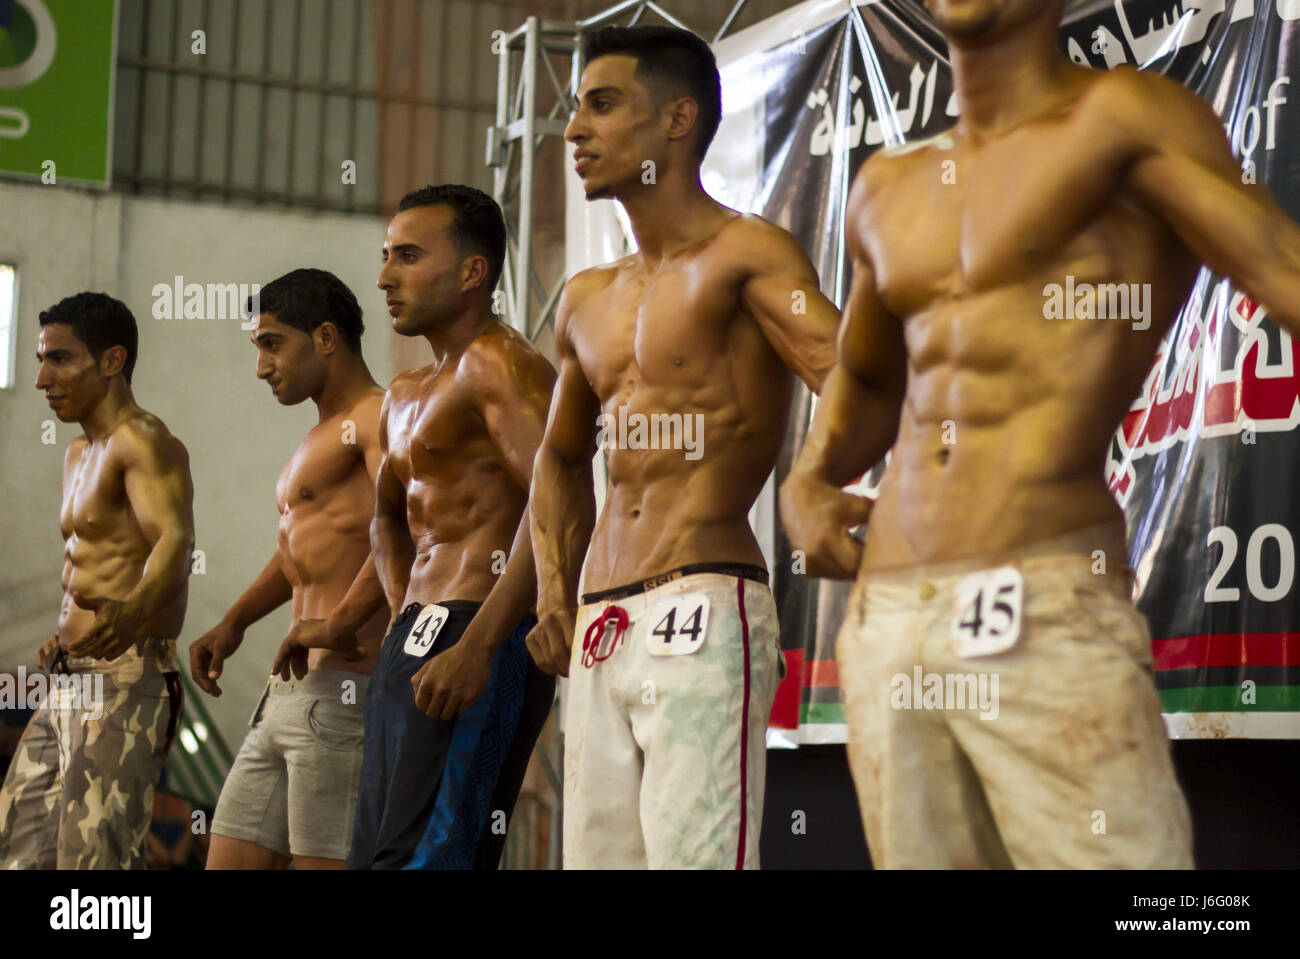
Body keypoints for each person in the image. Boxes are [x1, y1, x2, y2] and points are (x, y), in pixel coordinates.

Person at [780, 0, 1300, 868]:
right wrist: (807, 480)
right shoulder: (888, 184)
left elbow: (1282, 268)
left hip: (1042, 596)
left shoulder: (1122, 120)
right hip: (890, 621)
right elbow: (869, 376)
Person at [528, 25, 840, 869]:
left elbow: (848, 374)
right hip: (600, 617)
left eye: (603, 104)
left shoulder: (749, 254)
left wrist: (816, 483)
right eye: (575, 108)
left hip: (703, 603)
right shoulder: (586, 299)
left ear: (677, 120)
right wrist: (555, 596)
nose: (575, 129)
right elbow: (558, 458)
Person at [350, 184, 556, 870]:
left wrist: (483, 639)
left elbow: (555, 496)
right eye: (386, 256)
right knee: (381, 855)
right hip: (414, 632)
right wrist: (400, 607)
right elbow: (385, 515)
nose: (384, 277)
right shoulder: (405, 394)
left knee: (442, 856)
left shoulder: (501, 364)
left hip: (483, 627)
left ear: (473, 273)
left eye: (408, 257)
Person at [191, 268, 387, 869]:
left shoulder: (380, 416)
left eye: (272, 344)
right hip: (283, 694)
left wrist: (337, 624)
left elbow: (407, 528)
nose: (262, 367)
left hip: (344, 693)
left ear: (326, 337)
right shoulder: (322, 434)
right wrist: (236, 622)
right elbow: (299, 549)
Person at [0, 292, 192, 869]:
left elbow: (175, 541)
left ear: (112, 361)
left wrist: (130, 614)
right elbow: (98, 557)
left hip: (126, 677)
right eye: (40, 360)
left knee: (96, 865)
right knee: (20, 842)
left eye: (59, 359)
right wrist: (66, 634)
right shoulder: (79, 451)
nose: (41, 379)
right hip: (69, 677)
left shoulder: (142, 439)